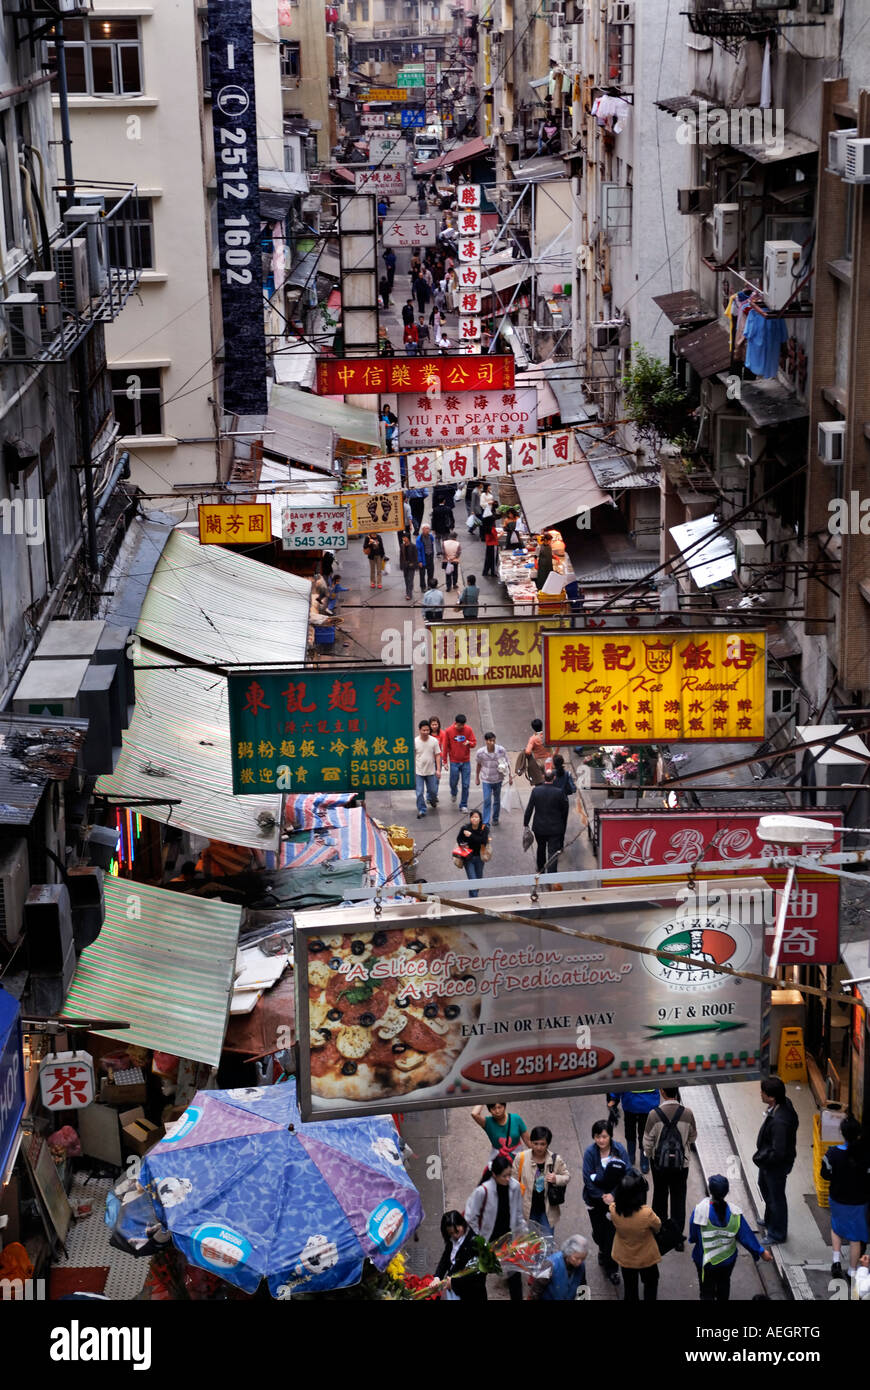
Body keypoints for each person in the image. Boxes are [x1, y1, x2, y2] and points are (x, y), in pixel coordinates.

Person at [689, 1174, 772, 1302]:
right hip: (727, 1261)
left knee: (706, 1290)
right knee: (724, 1286)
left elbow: (694, 1236)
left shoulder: (700, 1211)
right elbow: (746, 1236)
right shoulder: (735, 1214)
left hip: (705, 1261)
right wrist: (761, 1252)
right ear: (727, 1192)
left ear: (710, 1191)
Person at [464, 1156, 524, 1302]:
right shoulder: (483, 1191)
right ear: (494, 1175)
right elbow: (470, 1216)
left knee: (515, 1276)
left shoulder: (515, 1187)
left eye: (510, 1174)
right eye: (504, 1176)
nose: (508, 1179)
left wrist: (522, 1233)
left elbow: (517, 1213)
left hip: (508, 1239)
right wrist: (478, 1236)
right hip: (487, 1241)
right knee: (478, 1277)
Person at [642, 1087, 697, 1247]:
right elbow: (693, 1136)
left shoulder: (654, 1114)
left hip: (659, 1164)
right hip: (681, 1164)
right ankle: (677, 1238)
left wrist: (652, 1155)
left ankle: (659, 1233)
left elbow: (647, 1142)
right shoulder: (687, 1113)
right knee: (678, 1197)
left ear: (662, 1092)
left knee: (659, 1195)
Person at [821, 1118, 870, 1282]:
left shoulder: (832, 1153)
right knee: (855, 1236)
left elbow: (825, 1174)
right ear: (859, 1135)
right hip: (859, 1201)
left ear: (841, 1133)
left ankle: (836, 1261)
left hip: (837, 1198)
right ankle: (852, 1271)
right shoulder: (866, 1155)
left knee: (836, 1226)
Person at [752, 1075, 799, 1245]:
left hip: (775, 1166)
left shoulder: (780, 1121)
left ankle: (777, 1233)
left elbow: (778, 1151)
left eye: (763, 1092)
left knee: (775, 1197)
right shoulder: (782, 1105)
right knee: (765, 1188)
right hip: (770, 1163)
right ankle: (769, 1219)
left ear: (771, 1097)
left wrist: (762, 1158)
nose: (760, 1094)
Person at [603, 1168, 662, 1302]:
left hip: (625, 1256)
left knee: (630, 1288)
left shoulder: (613, 1210)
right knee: (651, 1283)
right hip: (646, 1256)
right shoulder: (646, 1214)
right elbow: (657, 1226)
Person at [582, 1119, 629, 1285]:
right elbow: (588, 1180)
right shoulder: (590, 1153)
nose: (601, 1140)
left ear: (610, 1136)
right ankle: (602, 1249)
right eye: (597, 1137)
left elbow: (627, 1174)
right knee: (599, 1233)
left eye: (604, 1136)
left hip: (614, 1203)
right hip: (595, 1202)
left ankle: (612, 1269)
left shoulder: (619, 1150)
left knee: (612, 1235)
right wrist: (603, 1196)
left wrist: (614, 1196)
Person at [515, 1126, 570, 1235]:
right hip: (527, 1207)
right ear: (531, 1142)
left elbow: (566, 1176)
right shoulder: (521, 1158)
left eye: (542, 1144)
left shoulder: (555, 1159)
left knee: (547, 1241)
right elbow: (513, 1181)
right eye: (535, 1144)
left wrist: (556, 1179)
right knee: (528, 1242)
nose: (539, 1148)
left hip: (547, 1208)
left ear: (547, 1144)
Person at [523, 768, 569, 875]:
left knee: (541, 848)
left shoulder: (536, 791)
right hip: (555, 828)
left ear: (543, 777)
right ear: (554, 778)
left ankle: (540, 869)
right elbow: (564, 810)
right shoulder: (559, 792)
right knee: (553, 851)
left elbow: (530, 808)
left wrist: (526, 823)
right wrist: (562, 824)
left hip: (539, 827)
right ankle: (552, 874)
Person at [434, 1211, 487, 1301]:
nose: (454, 1236)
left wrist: (454, 1283)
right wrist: (437, 1277)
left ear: (462, 1224)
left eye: (456, 1232)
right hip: (453, 1291)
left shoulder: (475, 1243)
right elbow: (445, 1260)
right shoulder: (451, 1241)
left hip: (470, 1294)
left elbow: (478, 1277)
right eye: (451, 1233)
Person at [607, 1088, 661, 1173]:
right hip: (636, 1103)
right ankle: (635, 1158)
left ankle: (638, 1158)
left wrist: (614, 1097)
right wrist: (614, 1097)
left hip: (642, 1104)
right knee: (633, 1133)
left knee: (641, 1135)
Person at [529, 1236, 588, 1301]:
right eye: (576, 1258)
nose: (579, 1262)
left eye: (583, 1259)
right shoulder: (550, 1264)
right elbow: (537, 1288)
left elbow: (582, 1286)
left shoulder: (581, 1266)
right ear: (568, 1253)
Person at [475, 731, 512, 827]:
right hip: (486, 780)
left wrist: (510, 776)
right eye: (490, 741)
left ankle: (495, 818)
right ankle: (486, 822)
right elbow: (478, 764)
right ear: (486, 741)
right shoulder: (480, 752)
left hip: (498, 779)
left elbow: (507, 762)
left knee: (496, 800)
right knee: (487, 800)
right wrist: (477, 777)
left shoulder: (501, 750)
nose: (492, 743)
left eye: (493, 741)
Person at [443, 713, 477, 812]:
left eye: (463, 725)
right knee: (453, 781)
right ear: (456, 723)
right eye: (459, 725)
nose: (461, 727)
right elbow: (445, 747)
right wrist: (445, 761)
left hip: (466, 761)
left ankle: (463, 804)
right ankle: (454, 792)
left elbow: (474, 742)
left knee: (466, 784)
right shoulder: (449, 731)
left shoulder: (468, 730)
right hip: (454, 761)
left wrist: (469, 743)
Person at [457, 809, 489, 897]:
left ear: (480, 819)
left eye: (476, 817)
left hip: (479, 858)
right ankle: (475, 900)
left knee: (478, 881)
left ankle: (471, 898)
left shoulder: (484, 829)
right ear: (470, 818)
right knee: (473, 880)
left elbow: (483, 841)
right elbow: (459, 839)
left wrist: (471, 835)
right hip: (468, 858)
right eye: (472, 817)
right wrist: (463, 845)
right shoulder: (465, 828)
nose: (474, 819)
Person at [414, 718, 442, 820]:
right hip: (419, 772)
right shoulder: (415, 741)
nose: (426, 732)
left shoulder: (434, 741)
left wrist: (438, 769)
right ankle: (422, 809)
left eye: (427, 730)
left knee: (433, 791)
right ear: (420, 730)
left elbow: (438, 755)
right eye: (424, 730)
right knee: (419, 792)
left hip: (431, 771)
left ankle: (432, 800)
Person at [524, 717, 555, 785]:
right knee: (550, 779)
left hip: (539, 762)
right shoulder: (547, 735)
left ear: (533, 728)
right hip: (549, 761)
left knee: (540, 781)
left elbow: (528, 752)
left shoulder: (533, 739)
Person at [399, 529, 418, 601]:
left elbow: (415, 556)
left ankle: (409, 594)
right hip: (405, 565)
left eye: (405, 537)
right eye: (403, 537)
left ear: (408, 538)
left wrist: (415, 565)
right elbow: (401, 556)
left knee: (410, 579)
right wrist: (401, 565)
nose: (404, 539)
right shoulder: (402, 546)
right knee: (406, 579)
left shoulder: (413, 546)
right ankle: (408, 592)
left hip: (411, 565)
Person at [416, 523, 435, 588]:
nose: (428, 530)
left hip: (430, 557)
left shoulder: (431, 536)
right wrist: (419, 561)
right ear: (422, 530)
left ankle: (430, 585)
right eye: (426, 529)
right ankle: (423, 587)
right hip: (424, 558)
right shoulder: (419, 539)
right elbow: (418, 551)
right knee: (422, 574)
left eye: (428, 529)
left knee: (430, 573)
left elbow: (432, 544)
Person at [481, 512, 499, 578]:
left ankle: (486, 571)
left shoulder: (486, 528)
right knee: (494, 559)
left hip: (489, 544)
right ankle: (493, 572)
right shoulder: (492, 528)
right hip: (494, 544)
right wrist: (502, 533)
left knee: (488, 558)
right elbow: (496, 537)